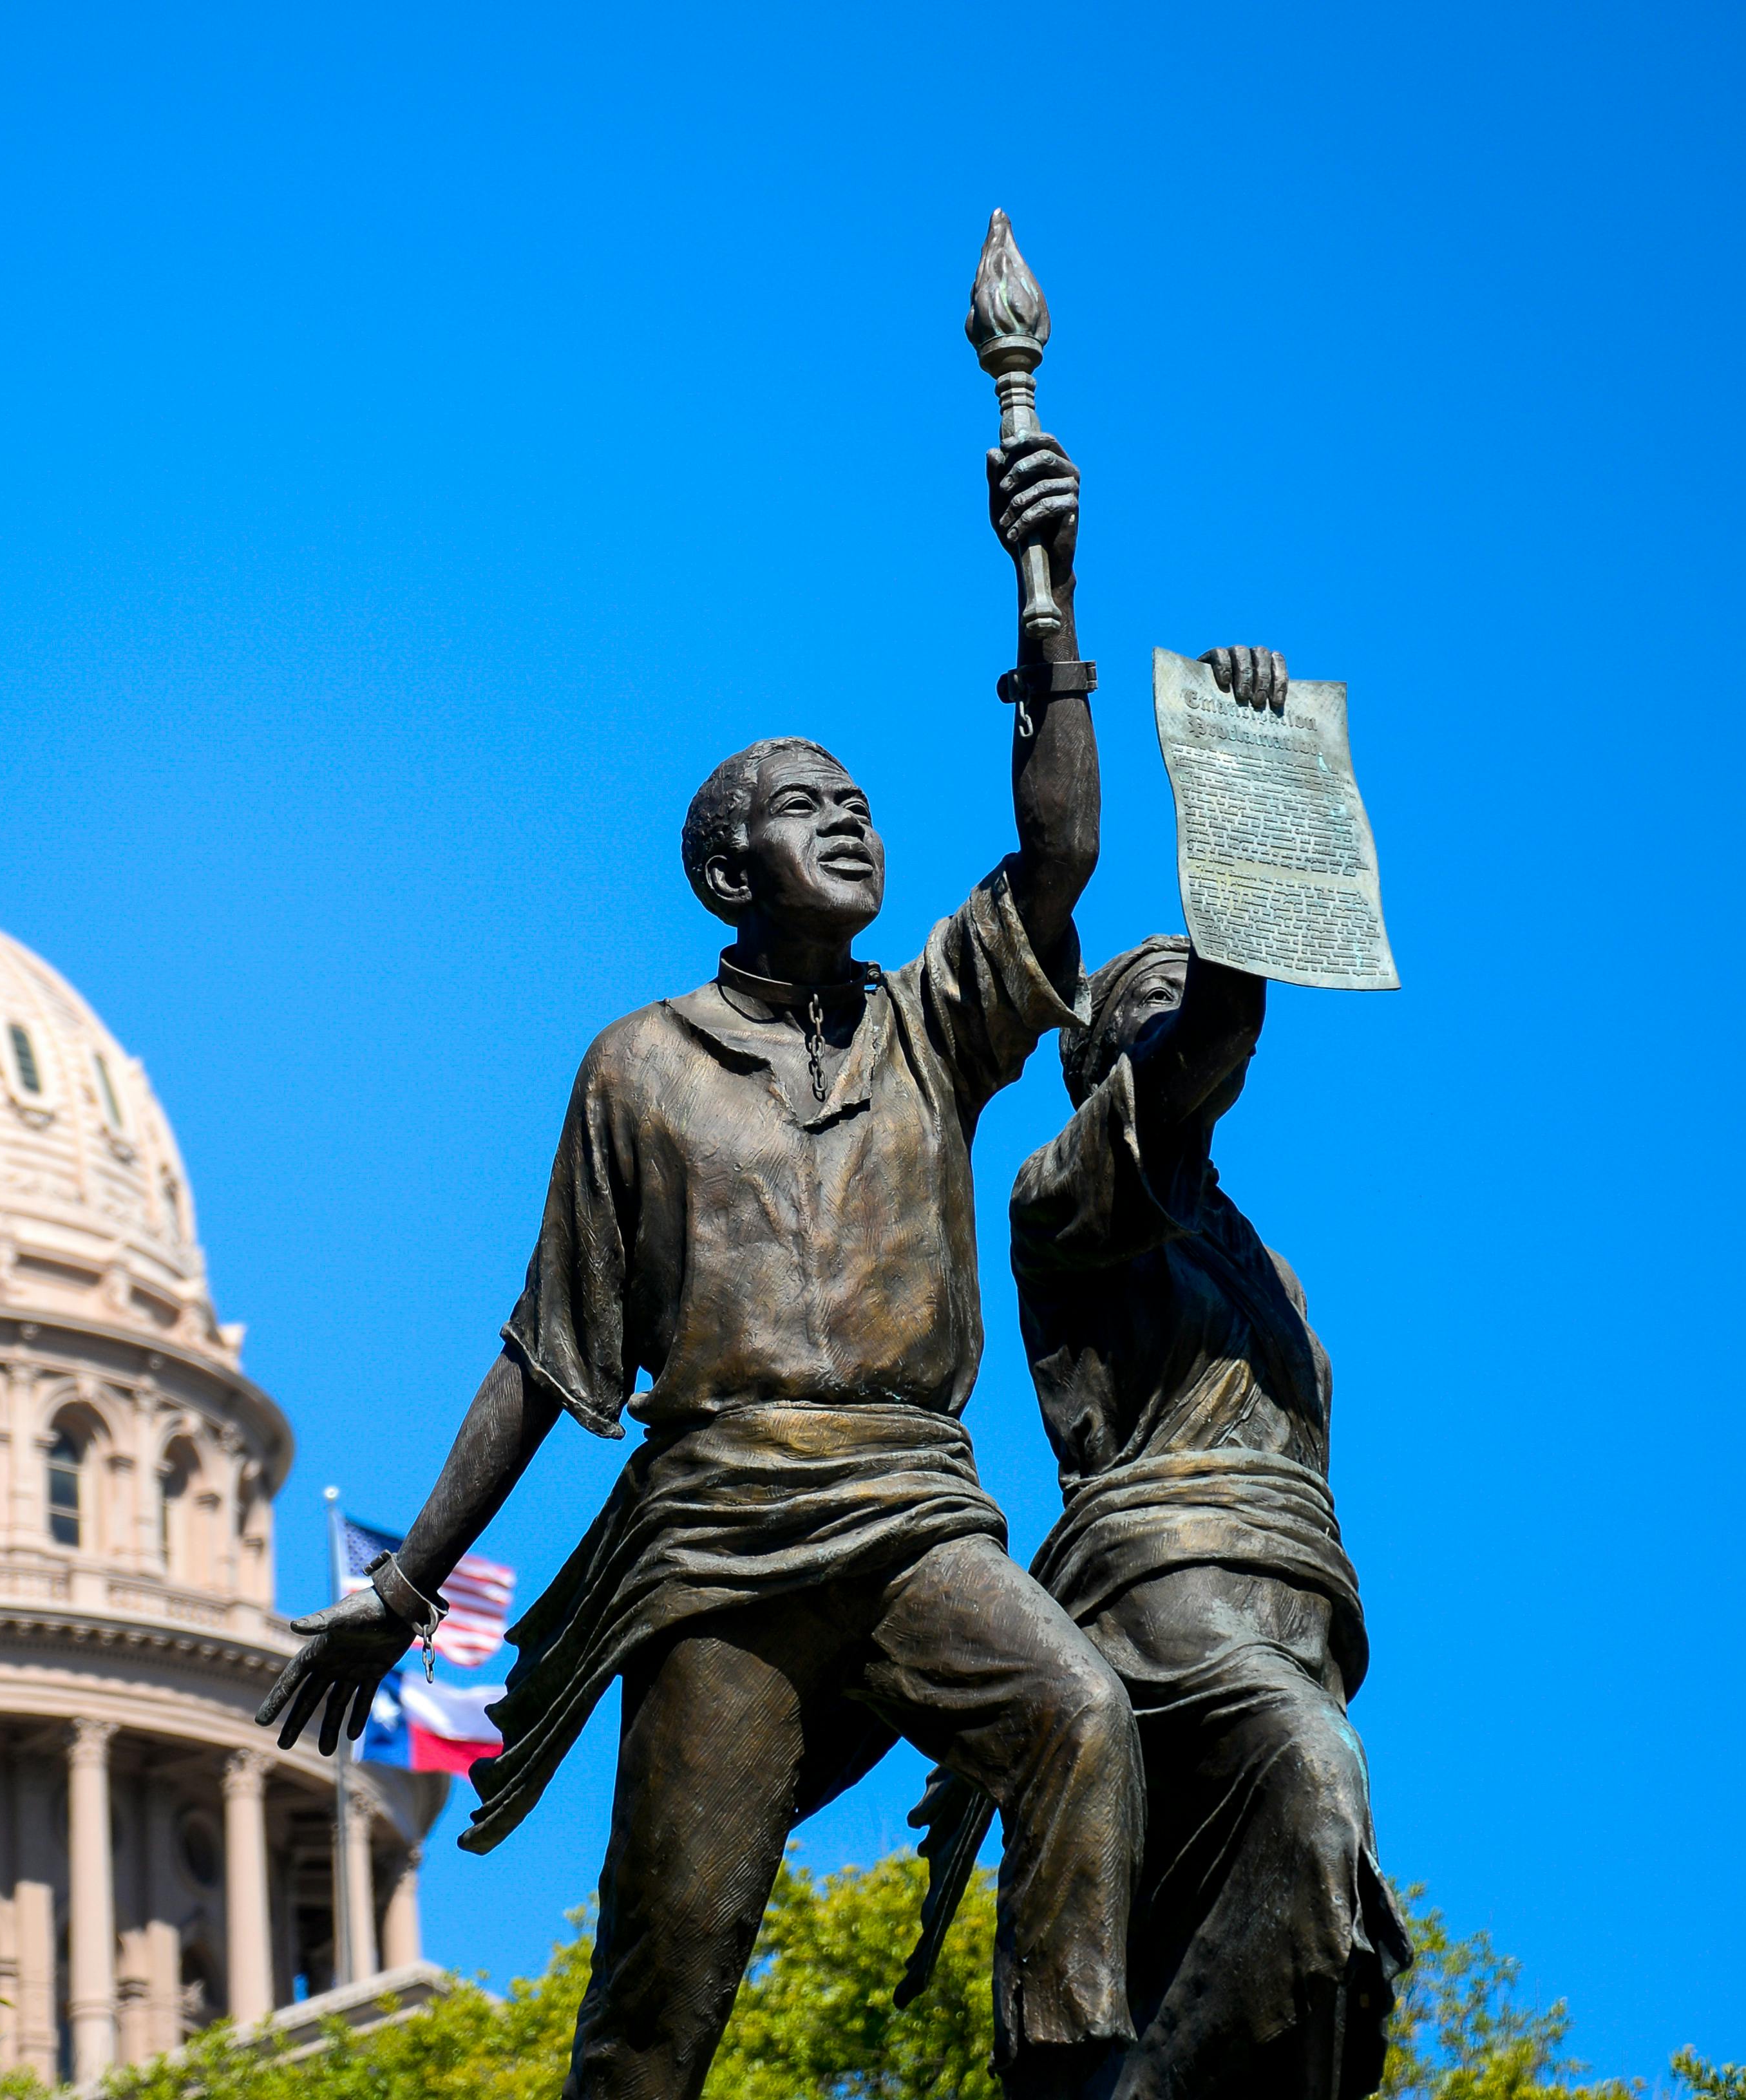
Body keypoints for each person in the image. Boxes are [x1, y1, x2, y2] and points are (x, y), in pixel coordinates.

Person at [258, 427, 1140, 2100]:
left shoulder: (928, 1019)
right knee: (661, 2000)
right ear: (728, 870)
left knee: (1077, 1715)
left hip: (907, 1517)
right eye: (815, 813)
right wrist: (399, 1587)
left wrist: (1047, 594)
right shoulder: (639, 1070)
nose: (857, 829)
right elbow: (546, 1358)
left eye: (863, 807)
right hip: (720, 1544)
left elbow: (1057, 858)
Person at [1001, 657, 1412, 2100]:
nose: (1195, 1022)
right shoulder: (1067, 1199)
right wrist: (1238, 803)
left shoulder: (1271, 1264)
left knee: (1325, 1990)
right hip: (1162, 1608)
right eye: (1153, 1002)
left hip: (1298, 1611)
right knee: (1311, 1788)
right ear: (1102, 1058)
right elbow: (1211, 1036)